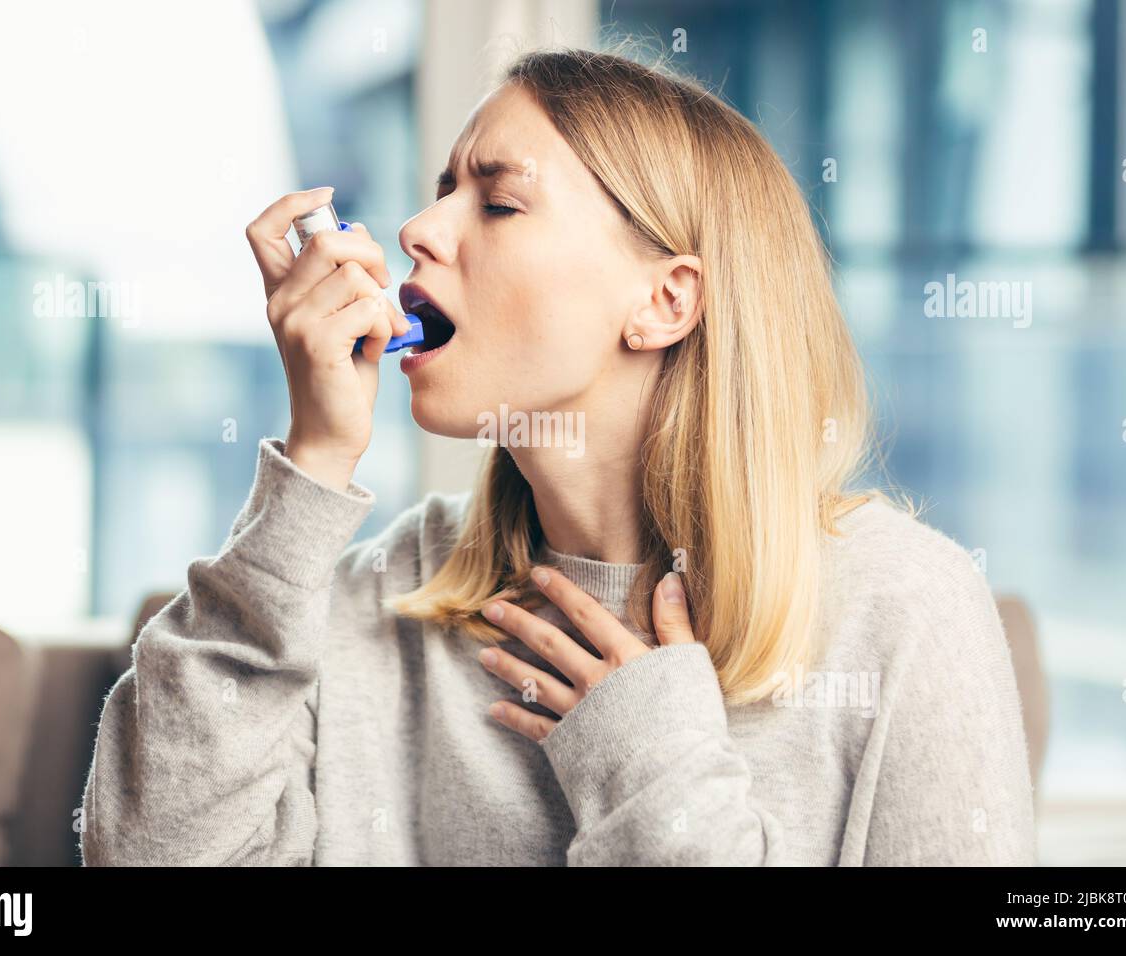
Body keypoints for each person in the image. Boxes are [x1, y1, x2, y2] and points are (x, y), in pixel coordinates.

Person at [81, 46, 1035, 866]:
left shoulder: (904, 613)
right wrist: (315, 463)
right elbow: (150, 852)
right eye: (446, 189)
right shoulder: (388, 594)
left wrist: (647, 761)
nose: (418, 230)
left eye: (497, 203)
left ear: (665, 301)